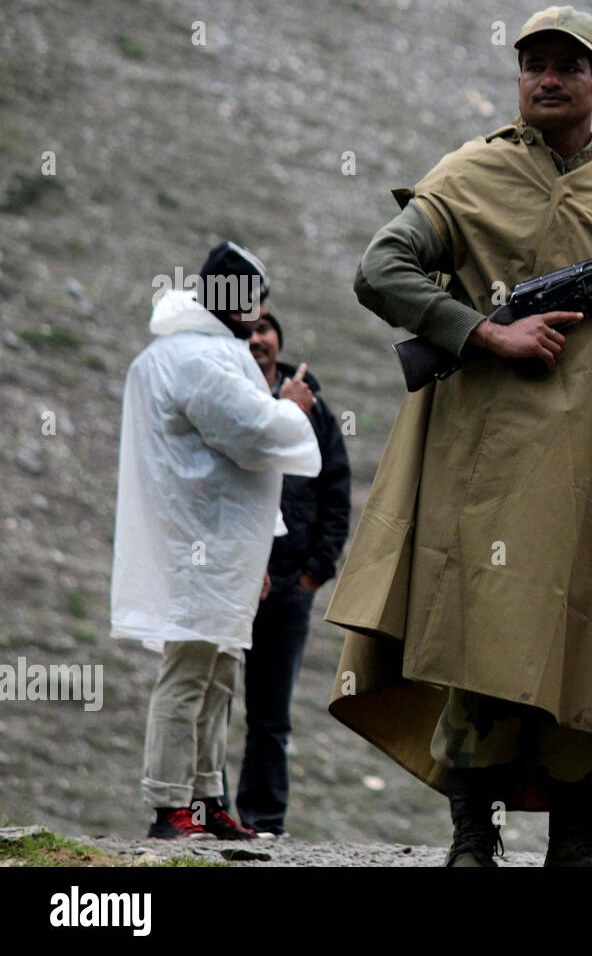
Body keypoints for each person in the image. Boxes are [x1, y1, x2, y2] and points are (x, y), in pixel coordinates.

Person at [322, 6, 592, 867]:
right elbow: (381, 267)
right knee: (480, 647)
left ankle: (575, 845)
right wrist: (484, 335)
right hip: (487, 465)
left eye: (570, 65)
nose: (549, 77)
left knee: (591, 650)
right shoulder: (468, 176)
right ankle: (471, 841)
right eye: (534, 62)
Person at [112, 241, 321, 839]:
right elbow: (252, 435)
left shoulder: (191, 352)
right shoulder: (197, 358)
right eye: (253, 298)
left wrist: (256, 551)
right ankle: (167, 804)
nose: (258, 313)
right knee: (188, 674)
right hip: (198, 548)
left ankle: (204, 801)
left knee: (217, 674)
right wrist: (291, 406)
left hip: (220, 548)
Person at [234, 308, 351, 836]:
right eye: (248, 330)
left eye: (265, 329)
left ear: (279, 339)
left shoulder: (313, 405)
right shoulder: (228, 396)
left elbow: (336, 487)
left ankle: (264, 820)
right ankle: (200, 811)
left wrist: (314, 572)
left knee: (271, 714)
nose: (257, 338)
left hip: (288, 584)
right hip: (228, 578)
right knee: (211, 698)